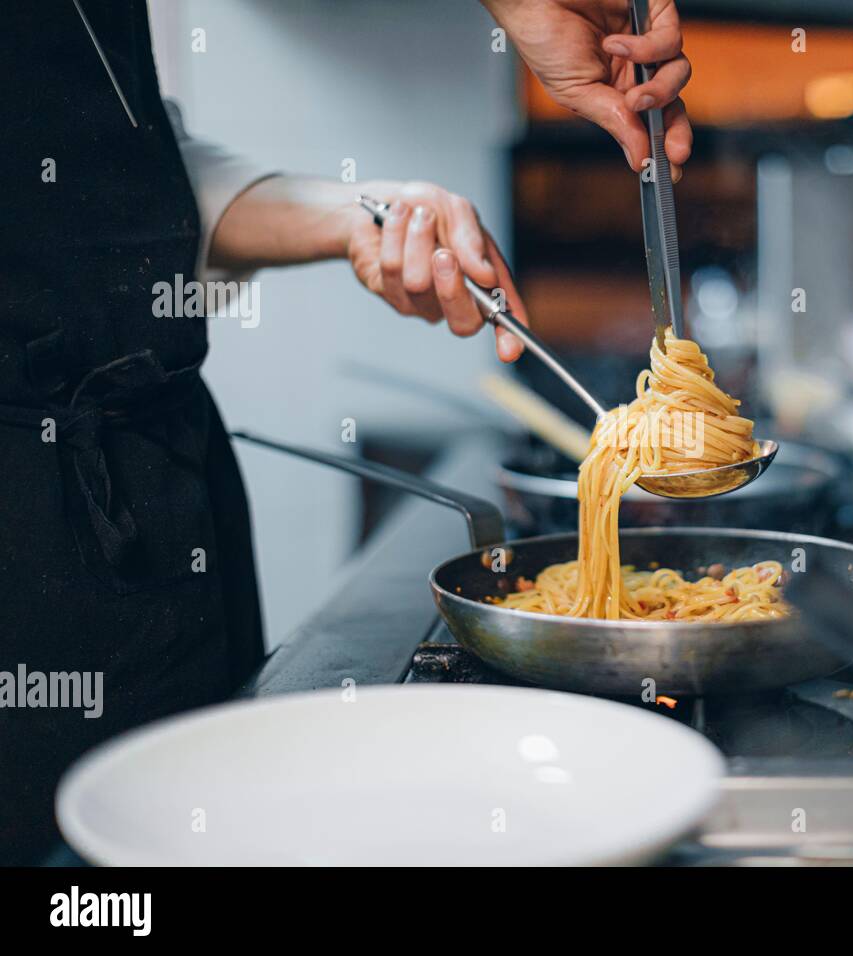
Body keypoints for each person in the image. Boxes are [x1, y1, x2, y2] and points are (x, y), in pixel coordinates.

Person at [0, 0, 691, 864]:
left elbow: (122, 190)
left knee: (201, 828)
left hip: (162, 489)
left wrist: (362, 215)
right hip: (24, 538)